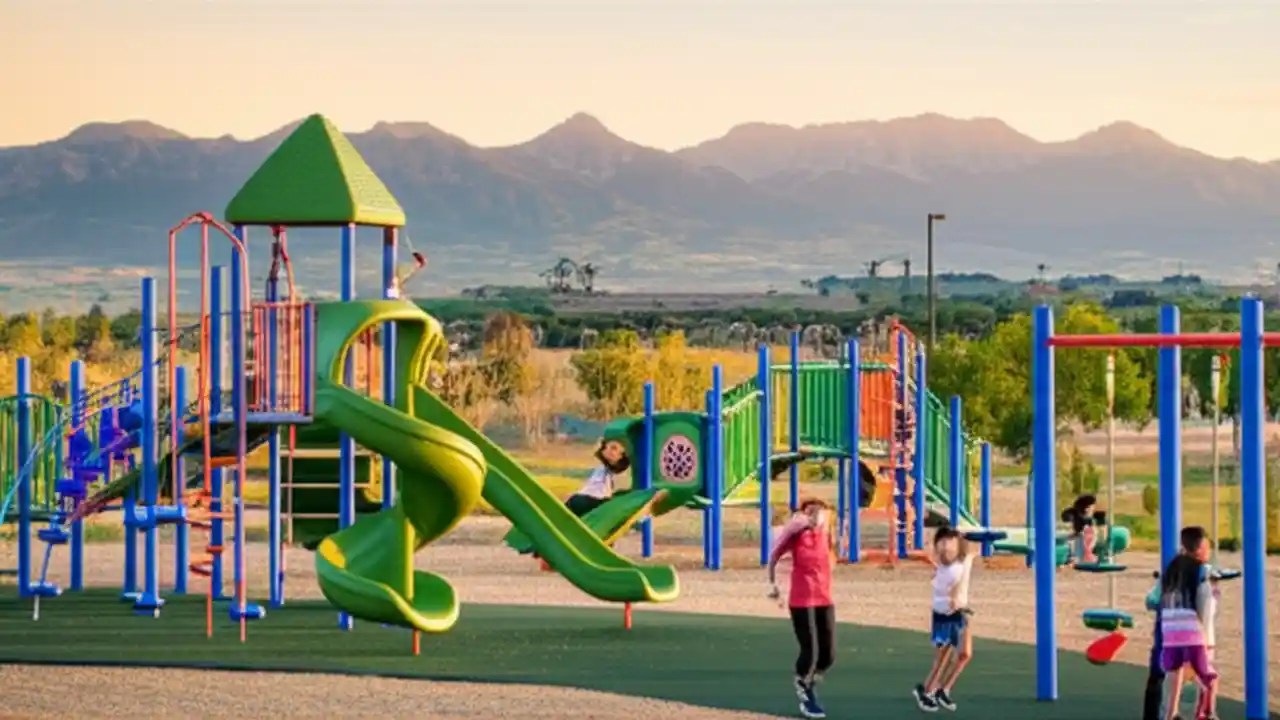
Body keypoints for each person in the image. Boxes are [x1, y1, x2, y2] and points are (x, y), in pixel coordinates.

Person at [768, 498, 837, 719]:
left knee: (828, 655)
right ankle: (804, 687)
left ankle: (810, 681)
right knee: (811, 651)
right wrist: (773, 586)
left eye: (819, 510)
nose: (815, 514)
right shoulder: (796, 533)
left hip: (824, 598)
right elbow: (773, 556)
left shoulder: (827, 532)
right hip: (801, 600)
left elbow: (834, 555)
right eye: (810, 511)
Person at [1156, 527, 1219, 720]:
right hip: (1192, 630)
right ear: (1199, 548)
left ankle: (1171, 713)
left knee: (1175, 671)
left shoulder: (1171, 568)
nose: (1209, 551)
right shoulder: (1203, 570)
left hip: (1170, 630)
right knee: (1209, 677)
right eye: (1207, 546)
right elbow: (1206, 604)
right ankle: (1208, 713)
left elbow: (1157, 597)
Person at [913, 526, 975, 713]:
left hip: (962, 612)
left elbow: (968, 551)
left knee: (965, 654)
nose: (946, 547)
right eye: (942, 544)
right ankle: (927, 691)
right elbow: (953, 588)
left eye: (950, 543)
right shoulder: (946, 567)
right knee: (944, 657)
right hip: (947, 614)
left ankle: (943, 689)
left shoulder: (962, 561)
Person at [564, 439, 630, 517]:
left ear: (621, 456)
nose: (607, 450)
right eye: (606, 447)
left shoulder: (614, 469)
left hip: (595, 501)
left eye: (614, 448)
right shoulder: (603, 466)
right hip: (584, 500)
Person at [1061, 494, 1099, 564]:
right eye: (1092, 506)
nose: (1093, 509)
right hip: (1076, 540)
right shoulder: (1080, 516)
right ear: (1087, 507)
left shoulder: (1085, 518)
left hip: (1077, 539)